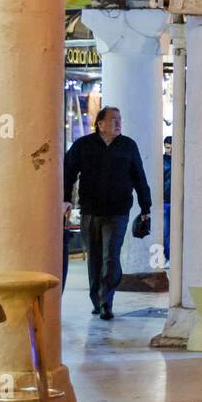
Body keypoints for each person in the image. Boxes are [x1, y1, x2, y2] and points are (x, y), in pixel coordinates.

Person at [63, 105, 152, 319]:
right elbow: (67, 172)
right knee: (94, 258)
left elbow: (139, 176)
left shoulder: (128, 146)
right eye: (113, 119)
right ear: (100, 124)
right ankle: (97, 298)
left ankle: (106, 301)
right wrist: (65, 199)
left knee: (110, 256)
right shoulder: (83, 145)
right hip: (90, 211)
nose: (118, 123)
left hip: (118, 211)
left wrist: (145, 207)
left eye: (120, 119)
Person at [163, 136, 172, 264]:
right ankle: (168, 256)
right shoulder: (162, 161)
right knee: (166, 231)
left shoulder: (180, 160)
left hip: (176, 200)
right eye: (168, 147)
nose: (170, 150)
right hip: (165, 201)